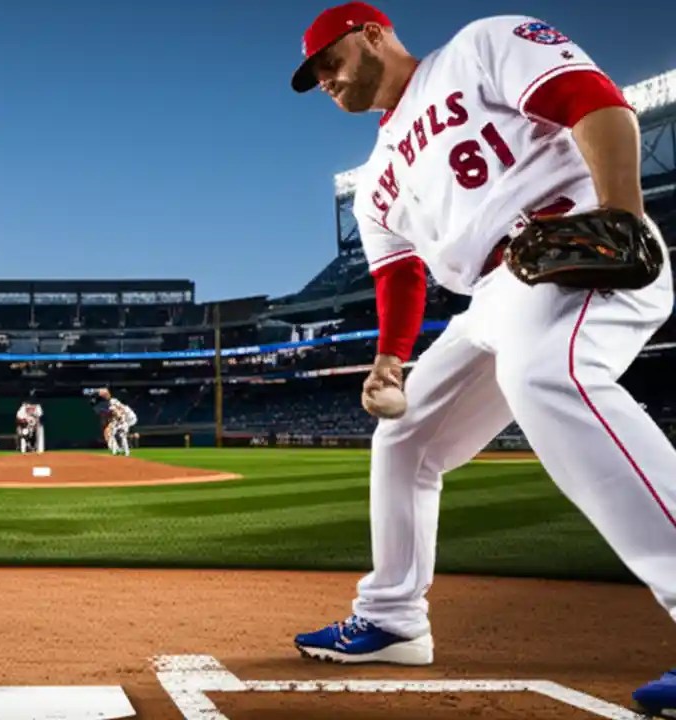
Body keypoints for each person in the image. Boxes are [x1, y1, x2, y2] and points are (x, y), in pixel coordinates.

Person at [287, 3, 676, 712]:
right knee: (404, 435)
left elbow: (593, 100)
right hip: (491, 298)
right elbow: (397, 277)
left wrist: (621, 214)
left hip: (573, 243)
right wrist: (388, 362)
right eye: (315, 77)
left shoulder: (479, 47)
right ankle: (392, 617)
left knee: (545, 374)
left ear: (372, 32)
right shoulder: (375, 178)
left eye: (329, 62)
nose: (326, 82)